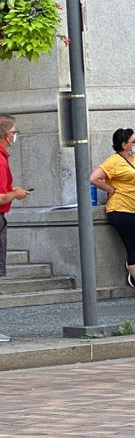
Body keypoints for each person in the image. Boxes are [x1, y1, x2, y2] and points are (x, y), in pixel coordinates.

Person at [90, 129, 135, 300]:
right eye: (134, 141)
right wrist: (111, 189)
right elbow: (94, 178)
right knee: (132, 246)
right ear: (124, 145)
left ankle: (134, 268)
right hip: (122, 208)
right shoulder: (113, 161)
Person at [0, 114, 31, 341]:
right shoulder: (0, 160)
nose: (16, 135)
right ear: (7, 135)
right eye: (15, 132)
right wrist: (15, 194)